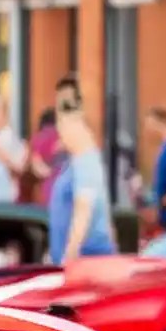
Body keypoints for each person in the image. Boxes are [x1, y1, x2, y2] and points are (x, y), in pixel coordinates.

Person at [49, 76, 116, 265]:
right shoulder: (75, 163)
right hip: (82, 261)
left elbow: (83, 211)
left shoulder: (86, 162)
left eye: (62, 127)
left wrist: (68, 258)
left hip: (86, 262)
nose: (60, 135)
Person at [28, 108, 62, 206]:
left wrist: (50, 174)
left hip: (48, 187)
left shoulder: (38, 138)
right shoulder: (62, 136)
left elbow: (37, 165)